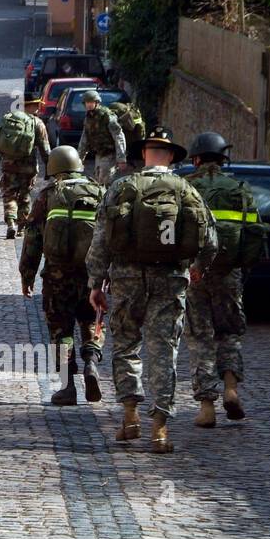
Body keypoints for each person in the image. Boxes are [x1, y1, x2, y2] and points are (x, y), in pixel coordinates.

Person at [87, 126, 217, 454]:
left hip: (127, 279)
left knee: (126, 345)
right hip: (170, 280)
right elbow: (211, 240)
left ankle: (130, 416)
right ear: (171, 156)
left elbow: (100, 240)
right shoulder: (187, 190)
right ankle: (159, 428)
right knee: (164, 350)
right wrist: (197, 267)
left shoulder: (122, 187)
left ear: (144, 154)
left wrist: (96, 282)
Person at [183, 132, 263, 428]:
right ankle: (231, 388)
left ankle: (206, 407)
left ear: (197, 159)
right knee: (229, 333)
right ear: (223, 159)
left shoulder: (187, 187)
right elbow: (253, 234)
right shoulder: (240, 189)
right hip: (230, 273)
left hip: (195, 275)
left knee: (200, 337)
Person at [20, 145, 104, 405]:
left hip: (57, 277)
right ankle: (91, 361)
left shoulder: (48, 195)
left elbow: (32, 237)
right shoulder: (98, 192)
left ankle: (68, 387)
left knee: (61, 330)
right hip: (91, 275)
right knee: (91, 323)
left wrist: (27, 274)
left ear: (53, 168)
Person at [0, 96, 50, 239]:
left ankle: (10, 222)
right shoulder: (37, 123)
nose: (38, 108)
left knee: (9, 194)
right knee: (24, 196)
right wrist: (49, 168)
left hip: (9, 165)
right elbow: (45, 149)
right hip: (28, 167)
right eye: (37, 105)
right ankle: (21, 228)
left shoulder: (9, 119)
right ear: (33, 106)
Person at [76, 90, 126, 186]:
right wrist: (79, 158)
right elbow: (84, 139)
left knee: (105, 181)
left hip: (110, 154)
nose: (89, 105)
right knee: (98, 180)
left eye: (91, 102)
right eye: (87, 102)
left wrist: (121, 159)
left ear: (97, 102)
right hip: (99, 154)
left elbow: (119, 136)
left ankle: (107, 199)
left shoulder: (107, 116)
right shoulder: (88, 118)